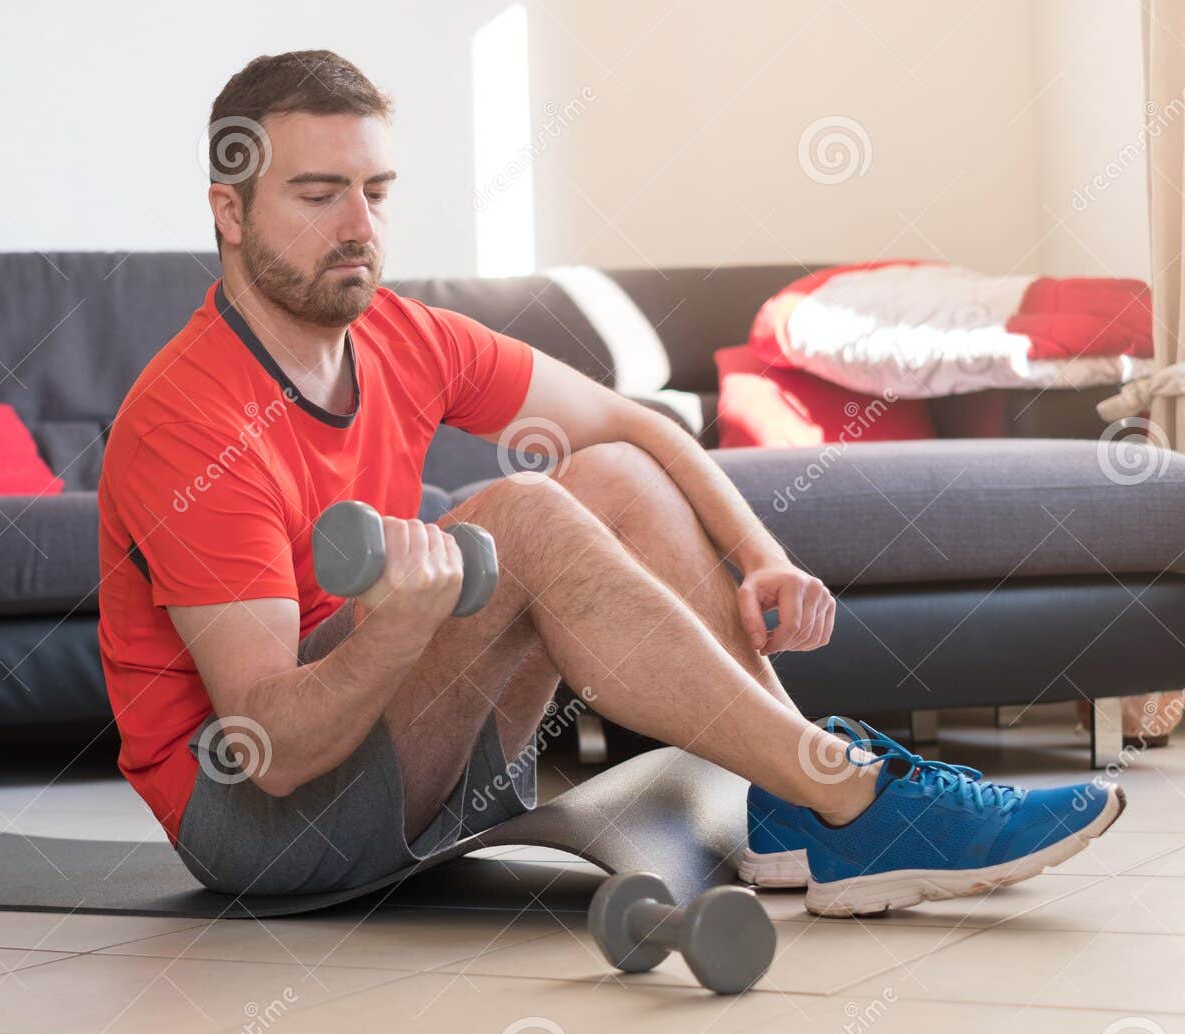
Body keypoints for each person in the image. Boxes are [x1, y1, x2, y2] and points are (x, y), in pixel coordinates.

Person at [96, 50, 1123, 917]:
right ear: (230, 212)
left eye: (377, 192)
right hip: (264, 828)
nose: (359, 226)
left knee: (610, 473)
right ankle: (852, 797)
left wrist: (761, 555)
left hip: (404, 759)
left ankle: (801, 803)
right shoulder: (191, 420)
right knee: (523, 512)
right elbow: (269, 753)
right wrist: (398, 630)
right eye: (319, 196)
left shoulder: (403, 337)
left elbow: (635, 424)